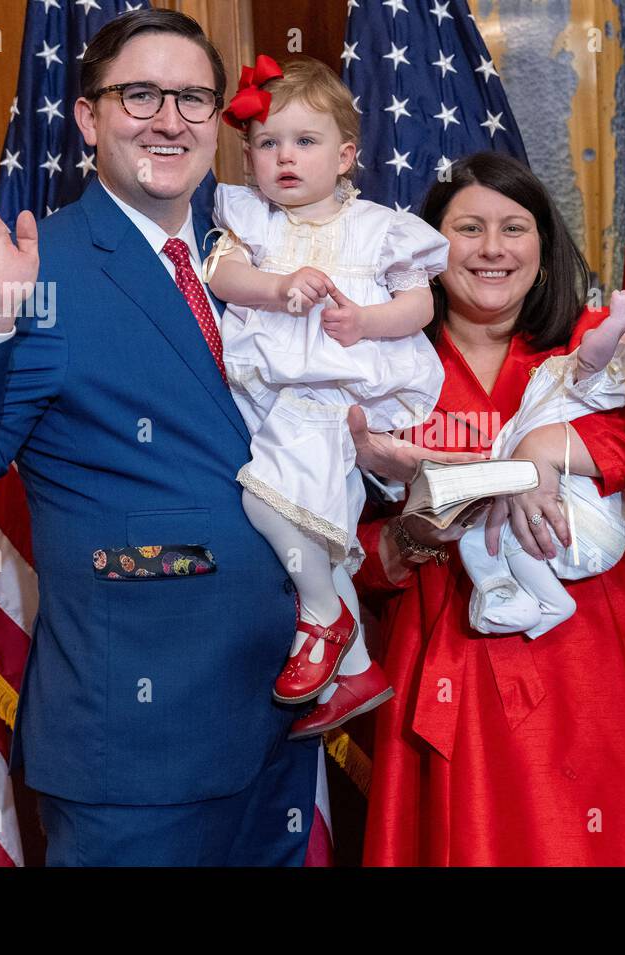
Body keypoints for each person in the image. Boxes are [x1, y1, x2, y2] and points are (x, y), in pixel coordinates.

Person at [0, 10, 460, 866]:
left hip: (283, 725)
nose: (170, 118)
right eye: (140, 94)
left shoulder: (264, 241)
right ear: (88, 117)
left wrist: (373, 460)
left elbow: (295, 439)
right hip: (137, 751)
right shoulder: (41, 271)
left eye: (193, 97)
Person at [356, 152, 625, 866]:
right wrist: (398, 544)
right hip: (450, 645)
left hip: (599, 649)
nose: (493, 249)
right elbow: (327, 526)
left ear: (544, 249)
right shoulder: (377, 364)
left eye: (514, 228)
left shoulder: (591, 342)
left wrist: (549, 447)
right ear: (428, 247)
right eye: (469, 228)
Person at [203, 55, 448, 736]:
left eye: (305, 142)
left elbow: (420, 305)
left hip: (336, 393)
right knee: (315, 523)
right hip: (265, 394)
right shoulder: (252, 219)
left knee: (266, 498)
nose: (285, 157)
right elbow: (223, 276)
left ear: (343, 156)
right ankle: (358, 667)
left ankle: (323, 616)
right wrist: (279, 288)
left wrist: (367, 322)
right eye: (267, 144)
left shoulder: (380, 227)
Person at [458, 289, 625, 638]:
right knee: (480, 535)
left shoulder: (607, 378)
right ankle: (514, 597)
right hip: (580, 525)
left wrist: (620, 319)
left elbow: (593, 358)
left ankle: (550, 603)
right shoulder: (566, 378)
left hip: (582, 526)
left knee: (500, 534)